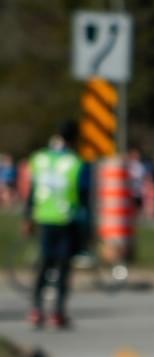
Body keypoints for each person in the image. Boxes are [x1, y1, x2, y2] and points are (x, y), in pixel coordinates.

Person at [22, 125, 93, 330]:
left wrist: (28, 217)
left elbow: (33, 190)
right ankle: (57, 312)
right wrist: (88, 228)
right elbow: (84, 196)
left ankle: (36, 309)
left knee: (44, 264)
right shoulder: (76, 162)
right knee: (63, 267)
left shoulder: (41, 158)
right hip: (67, 219)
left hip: (44, 216)